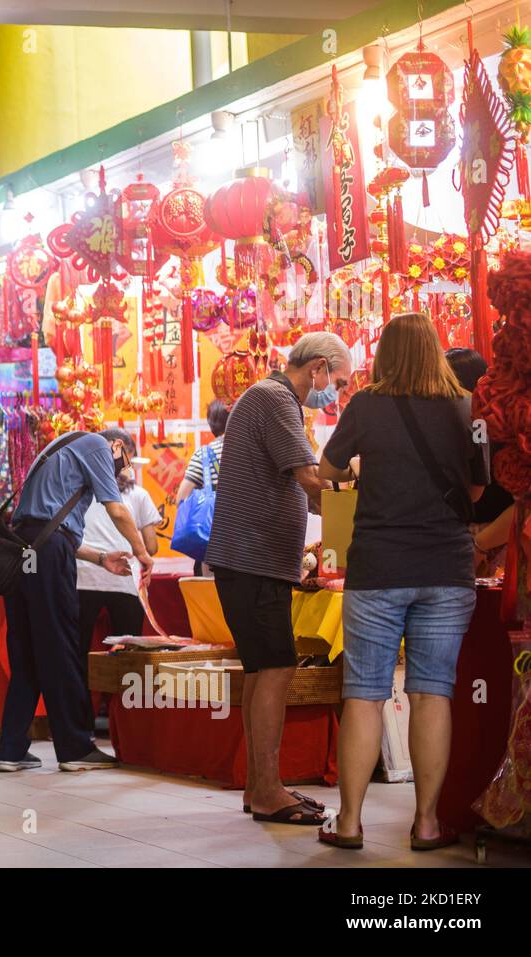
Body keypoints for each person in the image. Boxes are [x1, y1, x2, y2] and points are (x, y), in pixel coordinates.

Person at [316, 314, 487, 851]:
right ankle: (428, 824)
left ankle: (347, 823)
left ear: (387, 354)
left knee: (364, 694)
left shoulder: (366, 404)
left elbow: (325, 469)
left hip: (379, 570)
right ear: (435, 350)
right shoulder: (468, 408)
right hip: (446, 570)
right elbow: (479, 494)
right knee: (433, 692)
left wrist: (360, 475)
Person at [205, 331, 351, 826]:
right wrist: (358, 484)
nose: (335, 392)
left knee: (263, 667)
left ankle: (260, 785)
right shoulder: (274, 398)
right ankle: (267, 789)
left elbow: (304, 488)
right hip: (252, 559)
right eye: (339, 381)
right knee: (276, 668)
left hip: (252, 559)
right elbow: (311, 480)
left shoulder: (272, 399)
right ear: (318, 369)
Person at [0, 430, 155, 774]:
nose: (121, 472)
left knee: (26, 650)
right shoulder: (97, 445)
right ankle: (74, 748)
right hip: (47, 552)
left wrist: (99, 559)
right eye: (123, 461)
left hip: (23, 549)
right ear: (116, 447)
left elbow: (45, 528)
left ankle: (11, 749)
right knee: (60, 646)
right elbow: (117, 509)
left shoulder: (57, 449)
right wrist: (142, 552)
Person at [77, 428, 160, 645]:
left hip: (82, 577)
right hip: (125, 579)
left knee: (77, 652)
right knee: (126, 653)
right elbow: (151, 546)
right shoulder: (139, 494)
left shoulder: (79, 491)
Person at [446, 347, 516, 575]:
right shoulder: (456, 430)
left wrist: (480, 544)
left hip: (499, 547)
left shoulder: (505, 433)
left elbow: (523, 505)